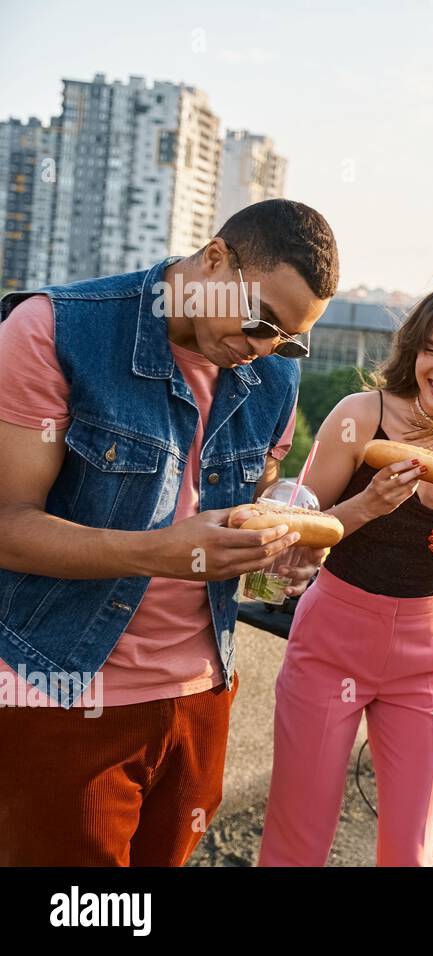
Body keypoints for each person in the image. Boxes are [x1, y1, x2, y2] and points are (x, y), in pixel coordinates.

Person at [0, 199, 338, 865]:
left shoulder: (275, 372)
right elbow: (9, 526)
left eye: (289, 337)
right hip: (58, 693)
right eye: (259, 319)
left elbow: (253, 502)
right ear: (214, 258)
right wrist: (165, 551)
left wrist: (280, 549)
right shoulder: (52, 328)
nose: (265, 347)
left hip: (200, 698)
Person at [257, 278, 433, 867]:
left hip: (427, 655)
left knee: (409, 849)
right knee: (298, 838)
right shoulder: (360, 415)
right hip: (333, 640)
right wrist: (366, 506)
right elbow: (299, 524)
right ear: (413, 349)